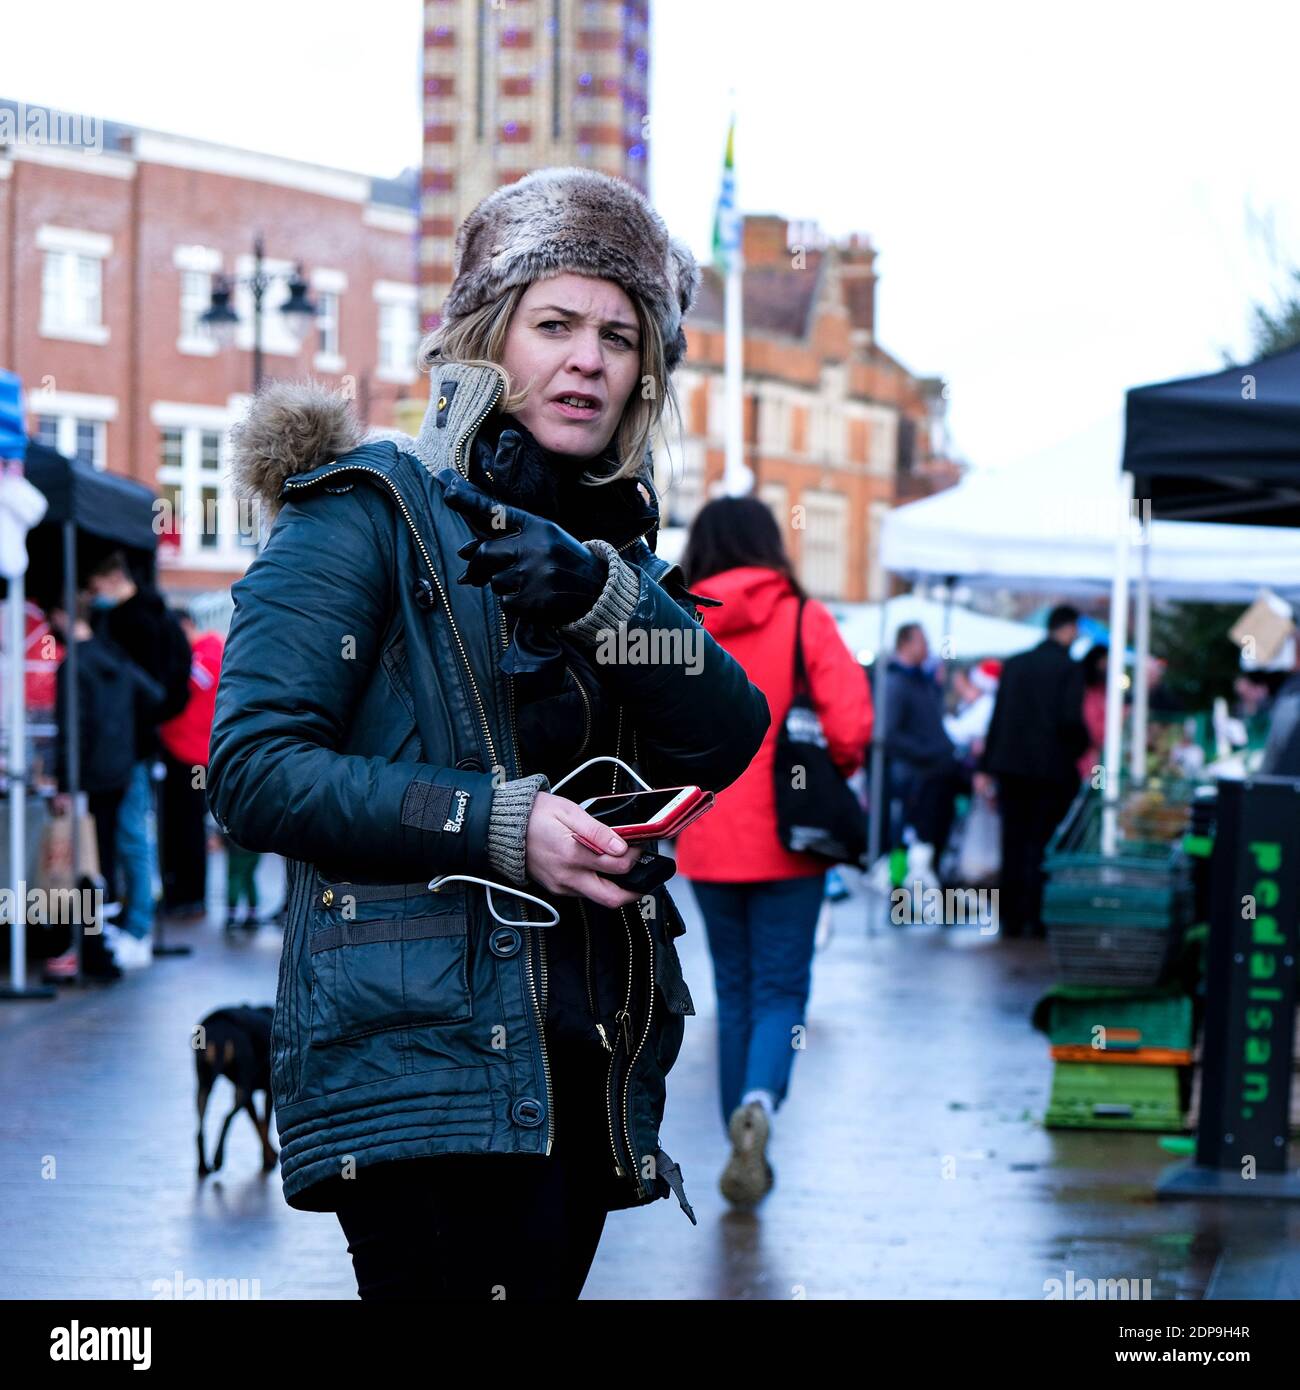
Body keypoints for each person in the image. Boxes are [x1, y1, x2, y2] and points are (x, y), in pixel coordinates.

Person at [206, 167, 770, 1301]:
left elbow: (727, 730)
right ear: (485, 334)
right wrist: (503, 826)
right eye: (553, 323)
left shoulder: (608, 546)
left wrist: (601, 596)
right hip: (415, 1059)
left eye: (620, 334)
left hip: (579, 1052)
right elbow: (254, 771)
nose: (588, 359)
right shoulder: (361, 512)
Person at [673, 497, 872, 1206]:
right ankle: (758, 1101)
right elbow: (851, 724)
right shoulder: (804, 618)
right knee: (782, 989)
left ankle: (738, 1119)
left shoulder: (682, 620)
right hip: (790, 837)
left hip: (705, 833)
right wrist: (826, 771)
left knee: (734, 991)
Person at [46, 597, 165, 977]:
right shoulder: (114, 657)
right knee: (110, 861)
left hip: (91, 776)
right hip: (120, 769)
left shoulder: (74, 665)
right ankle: (101, 946)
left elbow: (72, 730)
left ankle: (90, 949)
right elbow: (155, 697)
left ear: (62, 617)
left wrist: (64, 782)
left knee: (86, 865)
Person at [83, 552, 192, 966]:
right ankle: (135, 921)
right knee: (132, 834)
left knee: (129, 834)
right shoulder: (156, 619)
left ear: (112, 579)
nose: (93, 598)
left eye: (95, 588)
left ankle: (137, 926)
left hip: (126, 745)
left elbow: (150, 691)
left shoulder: (130, 626)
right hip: (138, 743)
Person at [978, 604, 1089, 939]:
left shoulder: (1015, 665)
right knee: (1042, 844)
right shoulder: (1068, 669)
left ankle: (1010, 917)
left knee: (1012, 843)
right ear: (1069, 629)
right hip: (1050, 773)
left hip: (1011, 769)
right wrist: (1076, 750)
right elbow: (1072, 722)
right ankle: (1037, 917)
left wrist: (988, 765)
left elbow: (997, 719)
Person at [881, 623, 962, 889]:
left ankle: (920, 887)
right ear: (905, 643)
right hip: (912, 775)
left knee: (928, 835)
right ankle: (897, 888)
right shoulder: (897, 682)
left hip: (931, 773)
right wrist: (930, 752)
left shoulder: (921, 681)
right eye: (922, 642)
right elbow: (889, 734)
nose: (926, 648)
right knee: (903, 837)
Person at [157, 608, 224, 921]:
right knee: (177, 828)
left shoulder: (208, 651)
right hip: (180, 751)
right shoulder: (196, 653)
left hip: (196, 756)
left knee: (191, 829)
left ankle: (193, 896)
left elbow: (188, 685)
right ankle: (180, 892)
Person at [1075, 644, 1109, 783]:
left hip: (1097, 759)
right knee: (1093, 789)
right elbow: (1095, 730)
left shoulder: (1103, 691)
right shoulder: (1088, 692)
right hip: (1088, 759)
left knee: (1096, 788)